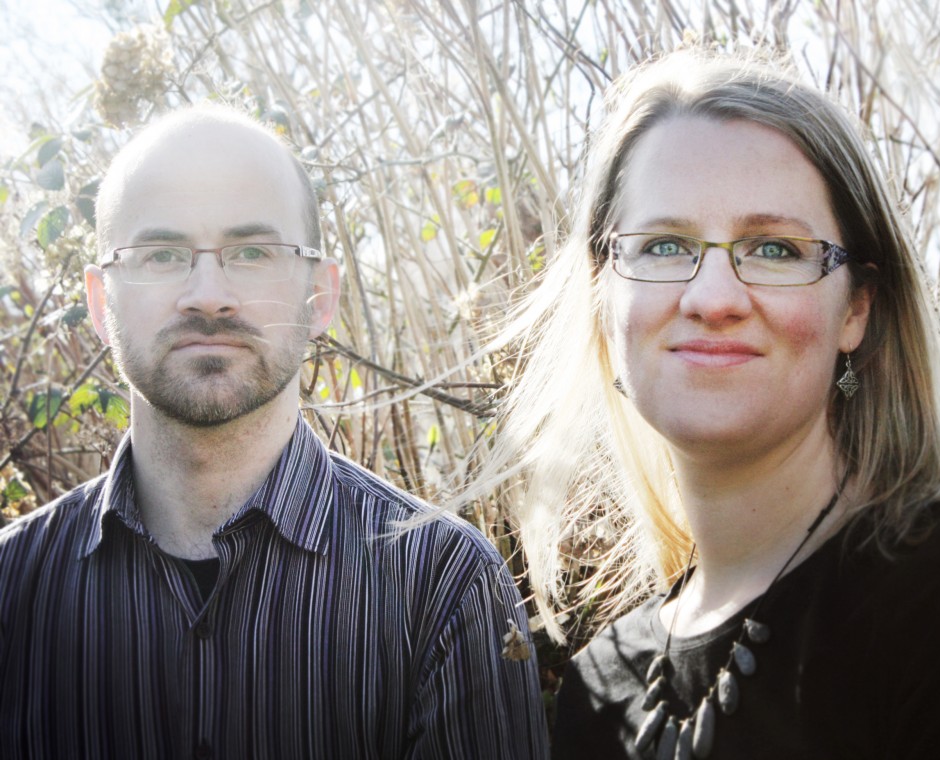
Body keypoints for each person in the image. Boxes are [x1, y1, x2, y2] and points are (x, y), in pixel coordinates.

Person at [466, 49, 940, 758]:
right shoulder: (596, 692)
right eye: (666, 244)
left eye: (774, 249)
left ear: (857, 306)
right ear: (604, 296)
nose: (713, 298)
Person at [0, 105, 548, 759]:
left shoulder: (443, 585)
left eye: (253, 252)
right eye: (162, 253)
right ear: (99, 302)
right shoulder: (11, 588)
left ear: (321, 296)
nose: (208, 294)